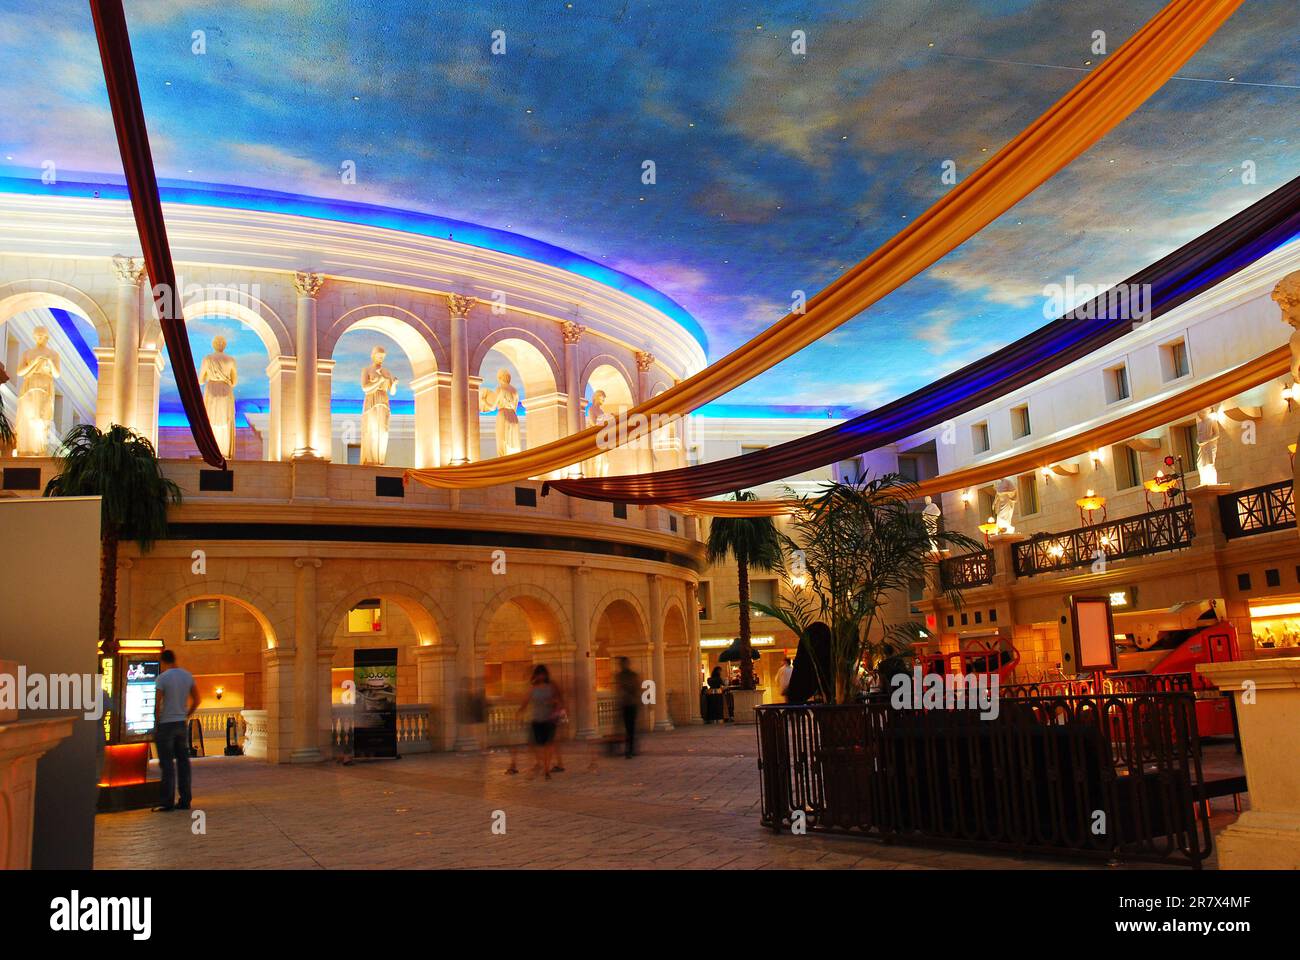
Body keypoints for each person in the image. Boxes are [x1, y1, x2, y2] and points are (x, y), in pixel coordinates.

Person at [154, 649, 199, 812]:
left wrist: (156, 722)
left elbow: (157, 704)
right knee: (183, 763)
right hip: (181, 723)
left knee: (167, 764)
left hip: (166, 724)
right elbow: (197, 700)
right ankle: (185, 800)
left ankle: (167, 802)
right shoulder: (187, 676)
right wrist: (186, 715)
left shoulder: (162, 678)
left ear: (163, 661)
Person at [518, 664, 564, 779]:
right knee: (538, 746)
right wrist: (519, 713)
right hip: (537, 719)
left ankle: (547, 770)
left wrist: (554, 703)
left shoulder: (551, 687)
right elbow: (525, 702)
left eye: (542, 674)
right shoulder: (533, 689)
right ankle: (543, 765)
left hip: (549, 719)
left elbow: (559, 700)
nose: (541, 676)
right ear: (536, 675)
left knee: (548, 745)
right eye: (539, 674)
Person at [614, 657, 641, 758]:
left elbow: (636, 688)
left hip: (631, 704)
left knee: (630, 728)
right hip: (624, 704)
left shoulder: (632, 675)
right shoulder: (619, 675)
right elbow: (618, 689)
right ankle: (630, 749)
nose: (621, 665)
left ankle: (629, 749)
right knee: (627, 728)